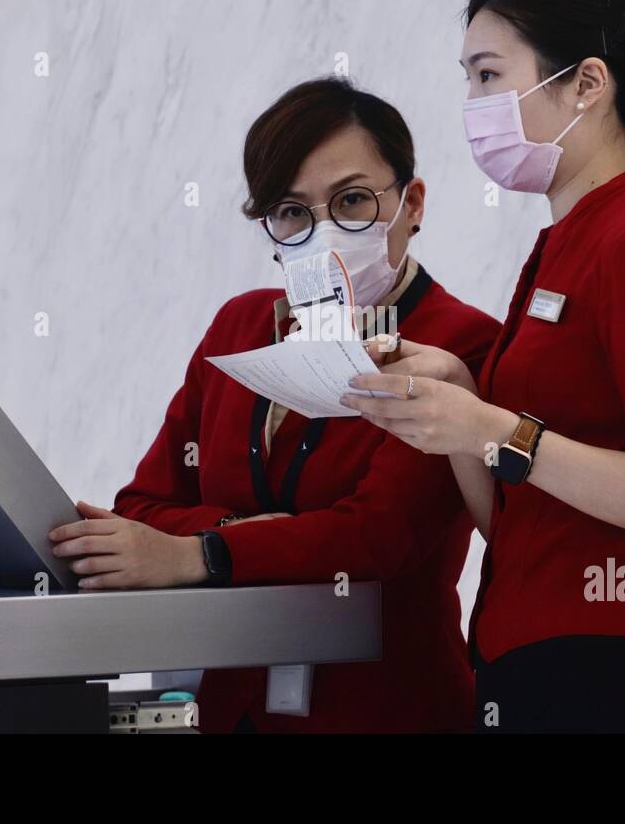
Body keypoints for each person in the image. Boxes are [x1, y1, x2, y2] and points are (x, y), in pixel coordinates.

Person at [343, 0, 625, 733]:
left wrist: (498, 427)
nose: (473, 101)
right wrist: (461, 403)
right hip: (535, 666)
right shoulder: (565, 241)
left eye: (490, 75)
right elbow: (523, 520)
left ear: (587, 84)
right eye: (468, 78)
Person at [50, 77, 501, 733]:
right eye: (292, 211)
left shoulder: (459, 344)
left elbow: (377, 536)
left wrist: (196, 553)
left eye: (351, 201)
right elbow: (142, 504)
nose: (322, 232)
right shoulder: (239, 326)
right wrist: (253, 527)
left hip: (385, 710)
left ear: (412, 203)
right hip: (234, 711)